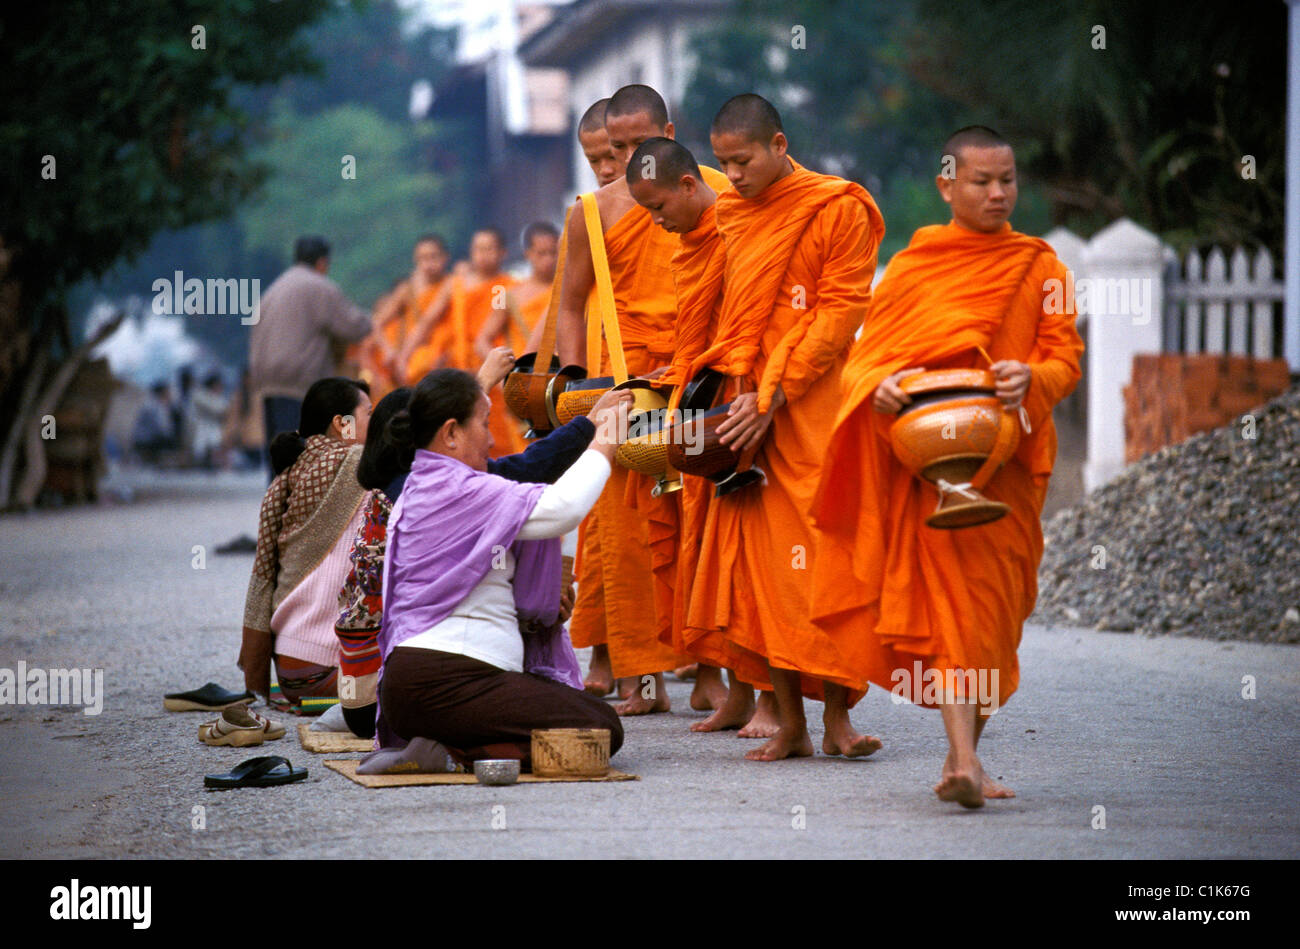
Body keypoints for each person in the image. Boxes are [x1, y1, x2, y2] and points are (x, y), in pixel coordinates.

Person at [810, 126, 1084, 807]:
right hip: (925, 468)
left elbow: (1065, 356)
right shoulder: (912, 266)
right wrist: (881, 384)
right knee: (955, 613)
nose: (997, 193)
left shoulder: (1041, 266)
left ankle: (970, 755)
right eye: (982, 181)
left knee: (996, 615)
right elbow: (868, 356)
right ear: (946, 185)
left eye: (1008, 180)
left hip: (1004, 468)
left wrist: (1035, 378)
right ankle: (961, 760)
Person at [687, 94, 886, 762]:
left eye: (741, 161)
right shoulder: (734, 215)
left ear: (778, 144)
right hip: (746, 416)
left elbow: (838, 316)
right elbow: (721, 313)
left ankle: (838, 719)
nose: (732, 176)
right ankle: (791, 722)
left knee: (825, 560)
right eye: (721, 164)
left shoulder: (838, 207)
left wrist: (775, 392)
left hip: (813, 406)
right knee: (762, 569)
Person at [334, 349, 626, 739]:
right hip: (444, 678)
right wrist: (604, 439)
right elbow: (563, 507)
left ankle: (443, 744)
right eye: (485, 424)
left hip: (423, 680)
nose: (491, 439)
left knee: (585, 709)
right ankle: (456, 750)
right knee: (600, 726)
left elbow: (529, 485)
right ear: (451, 433)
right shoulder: (455, 489)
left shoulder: (427, 483)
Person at [553, 84, 730, 712]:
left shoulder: (714, 193)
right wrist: (576, 387)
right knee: (629, 535)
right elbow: (572, 304)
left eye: (639, 145)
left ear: (670, 132)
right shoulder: (592, 211)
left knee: (703, 528)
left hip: (701, 376)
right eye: (616, 147)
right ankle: (643, 676)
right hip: (629, 384)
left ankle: (711, 668)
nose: (630, 161)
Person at [625, 135, 768, 731]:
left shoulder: (741, 227)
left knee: (754, 553)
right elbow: (699, 323)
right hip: (705, 401)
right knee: (710, 550)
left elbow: (760, 316)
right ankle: (737, 690)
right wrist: (680, 370)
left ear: (688, 185)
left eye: (658, 208)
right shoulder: (692, 242)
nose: (655, 223)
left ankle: (770, 696)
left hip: (752, 400)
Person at [238, 376, 373, 715]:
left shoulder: (293, 471)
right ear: (342, 425)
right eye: (370, 414)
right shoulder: (359, 468)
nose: (377, 424)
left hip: (290, 669)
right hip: (329, 667)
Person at [249, 235, 372, 478]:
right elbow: (354, 326)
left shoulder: (275, 288)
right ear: (323, 263)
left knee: (278, 458)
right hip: (300, 384)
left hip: (268, 384)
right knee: (299, 461)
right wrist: (375, 318)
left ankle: (277, 509)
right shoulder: (319, 287)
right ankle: (296, 510)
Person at [357, 236, 452, 401]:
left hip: (443, 357)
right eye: (423, 258)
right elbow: (377, 322)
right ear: (416, 260)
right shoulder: (408, 290)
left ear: (445, 257)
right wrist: (389, 351)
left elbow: (427, 323)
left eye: (433, 257)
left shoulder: (452, 285)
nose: (428, 264)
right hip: (413, 360)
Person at [513, 222, 560, 351]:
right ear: (527, 254)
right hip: (522, 367)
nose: (548, 260)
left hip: (559, 367)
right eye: (541, 253)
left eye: (553, 253)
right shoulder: (510, 295)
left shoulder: (567, 290)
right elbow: (482, 340)